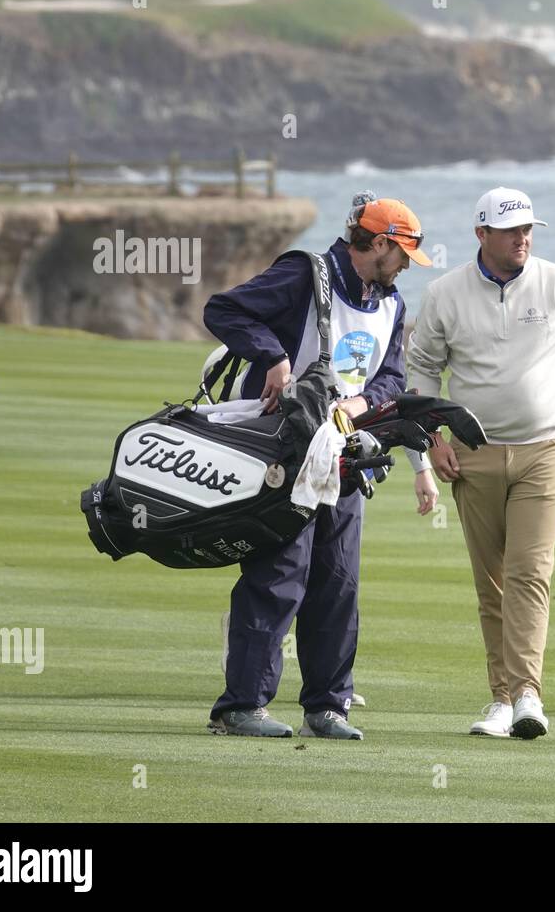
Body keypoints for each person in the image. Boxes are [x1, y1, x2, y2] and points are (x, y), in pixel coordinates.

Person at [202, 192, 437, 739]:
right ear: (378, 243)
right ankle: (241, 706)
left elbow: (391, 379)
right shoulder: (303, 274)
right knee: (279, 577)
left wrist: (361, 403)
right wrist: (274, 357)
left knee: (337, 583)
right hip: (282, 452)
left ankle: (327, 706)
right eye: (402, 254)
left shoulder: (391, 302)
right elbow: (224, 309)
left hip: (344, 457)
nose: (405, 266)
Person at [406, 187, 555, 739]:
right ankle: (500, 699)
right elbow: (423, 373)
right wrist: (432, 439)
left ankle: (527, 695)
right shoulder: (444, 292)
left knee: (530, 570)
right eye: (511, 231)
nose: (523, 238)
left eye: (529, 229)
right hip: (472, 456)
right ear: (482, 234)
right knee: (492, 583)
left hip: (546, 450)